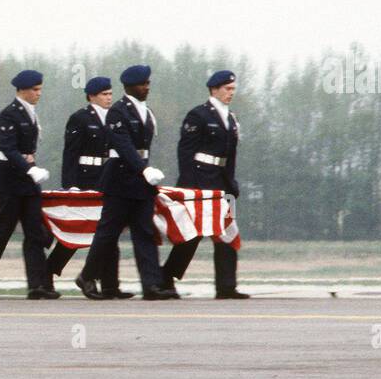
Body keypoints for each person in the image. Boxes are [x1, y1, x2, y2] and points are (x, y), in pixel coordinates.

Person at [82, 65, 176, 299]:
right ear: (130, 86)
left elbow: (143, 147)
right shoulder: (118, 112)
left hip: (141, 182)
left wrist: (146, 171)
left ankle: (151, 285)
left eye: (148, 83)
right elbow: (123, 146)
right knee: (108, 233)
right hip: (120, 180)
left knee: (144, 232)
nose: (147, 87)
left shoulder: (145, 112)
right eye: (143, 84)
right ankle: (87, 275)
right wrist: (144, 169)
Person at [0, 69, 57, 299]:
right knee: (2, 231)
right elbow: (8, 148)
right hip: (9, 180)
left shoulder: (31, 114)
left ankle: (36, 285)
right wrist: (30, 169)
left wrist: (31, 169)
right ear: (22, 90)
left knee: (35, 232)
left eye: (40, 89)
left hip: (28, 181)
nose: (38, 94)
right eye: (35, 90)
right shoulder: (9, 115)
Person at [162, 69, 248, 299]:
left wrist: (231, 182)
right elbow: (185, 153)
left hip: (221, 182)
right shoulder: (198, 115)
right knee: (192, 234)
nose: (231, 93)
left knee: (227, 231)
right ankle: (166, 277)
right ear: (214, 89)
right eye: (227, 89)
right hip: (199, 181)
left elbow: (231, 155)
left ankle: (226, 286)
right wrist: (188, 186)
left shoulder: (231, 118)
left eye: (233, 89)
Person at [46, 76, 132, 299]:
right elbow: (71, 154)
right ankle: (47, 273)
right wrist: (71, 185)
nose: (109, 98)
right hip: (86, 180)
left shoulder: (116, 118)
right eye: (104, 94)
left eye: (110, 94)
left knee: (107, 235)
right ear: (92, 96)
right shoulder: (80, 119)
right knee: (74, 234)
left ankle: (110, 285)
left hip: (109, 180)